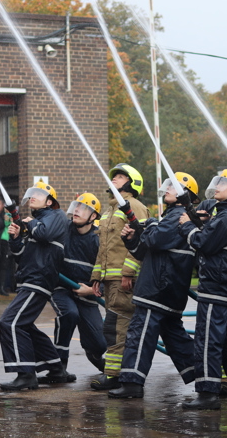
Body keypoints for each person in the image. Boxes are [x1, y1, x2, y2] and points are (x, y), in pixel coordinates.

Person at [109, 172, 199, 399]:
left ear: (184, 194)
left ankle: (132, 383)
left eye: (173, 186)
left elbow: (154, 239)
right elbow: (144, 250)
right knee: (175, 338)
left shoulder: (178, 215)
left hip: (158, 290)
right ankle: (204, 377)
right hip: (165, 288)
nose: (167, 188)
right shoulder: (172, 216)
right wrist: (131, 238)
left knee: (139, 334)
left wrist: (146, 225)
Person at [177, 169, 227, 410]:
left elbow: (203, 243)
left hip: (215, 287)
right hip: (223, 287)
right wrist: (202, 221)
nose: (217, 185)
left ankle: (207, 393)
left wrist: (188, 226)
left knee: (207, 340)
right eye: (217, 181)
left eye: (224, 183)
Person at [0, 182, 70, 391]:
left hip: (39, 279)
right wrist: (15, 238)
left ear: (50, 201)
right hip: (29, 278)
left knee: (9, 323)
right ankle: (56, 368)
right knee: (25, 326)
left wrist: (28, 225)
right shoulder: (35, 223)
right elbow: (22, 256)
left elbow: (45, 234)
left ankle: (26, 374)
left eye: (39, 195)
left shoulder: (56, 216)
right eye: (32, 194)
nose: (33, 197)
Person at [89, 164, 150, 391]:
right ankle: (116, 373)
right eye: (114, 175)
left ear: (131, 183)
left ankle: (115, 375)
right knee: (113, 327)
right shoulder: (109, 211)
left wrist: (129, 271)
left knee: (118, 327)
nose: (114, 179)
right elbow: (103, 247)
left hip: (124, 280)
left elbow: (142, 242)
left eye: (121, 176)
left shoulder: (134, 207)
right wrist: (96, 276)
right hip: (109, 279)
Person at [40, 193, 107, 385]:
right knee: (69, 314)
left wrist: (93, 290)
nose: (76, 210)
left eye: (83, 208)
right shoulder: (64, 230)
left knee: (100, 344)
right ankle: (59, 367)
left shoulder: (97, 240)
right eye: (76, 206)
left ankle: (95, 357)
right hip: (61, 287)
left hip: (86, 294)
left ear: (93, 216)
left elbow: (107, 272)